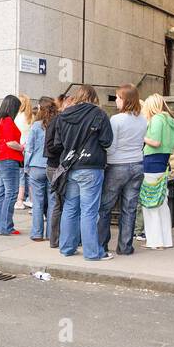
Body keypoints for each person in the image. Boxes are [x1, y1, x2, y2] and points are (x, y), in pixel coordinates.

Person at [47, 85, 112, 256]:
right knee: (89, 211)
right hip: (92, 166)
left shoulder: (64, 115)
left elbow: (58, 144)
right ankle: (92, 252)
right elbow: (107, 141)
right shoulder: (99, 114)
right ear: (94, 98)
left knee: (70, 208)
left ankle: (67, 248)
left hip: (70, 167)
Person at [99, 85, 146, 255]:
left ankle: (101, 244)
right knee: (130, 208)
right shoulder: (142, 119)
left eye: (118, 97)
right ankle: (125, 246)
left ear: (125, 99)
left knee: (105, 207)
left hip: (117, 165)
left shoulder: (116, 120)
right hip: (137, 164)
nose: (116, 100)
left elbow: (111, 146)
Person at [140, 93, 174, 250]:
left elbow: (155, 142)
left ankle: (155, 241)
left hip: (151, 162)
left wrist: (141, 136)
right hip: (163, 162)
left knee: (150, 202)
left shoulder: (156, 119)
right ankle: (165, 239)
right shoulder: (171, 120)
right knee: (162, 202)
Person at [0, 94, 27, 236]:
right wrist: (22, 147)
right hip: (8, 158)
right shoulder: (7, 121)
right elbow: (10, 142)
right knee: (11, 193)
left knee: (2, 193)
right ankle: (6, 226)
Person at [23, 96, 55, 241]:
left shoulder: (36, 126)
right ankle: (51, 234)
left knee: (37, 202)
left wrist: (26, 166)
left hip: (36, 166)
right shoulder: (57, 124)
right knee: (52, 202)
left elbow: (29, 149)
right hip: (52, 166)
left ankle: (37, 233)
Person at [43, 94, 68, 248]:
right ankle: (57, 239)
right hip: (56, 166)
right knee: (60, 204)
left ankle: (56, 239)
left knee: (58, 203)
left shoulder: (56, 121)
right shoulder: (59, 121)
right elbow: (51, 146)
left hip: (55, 165)